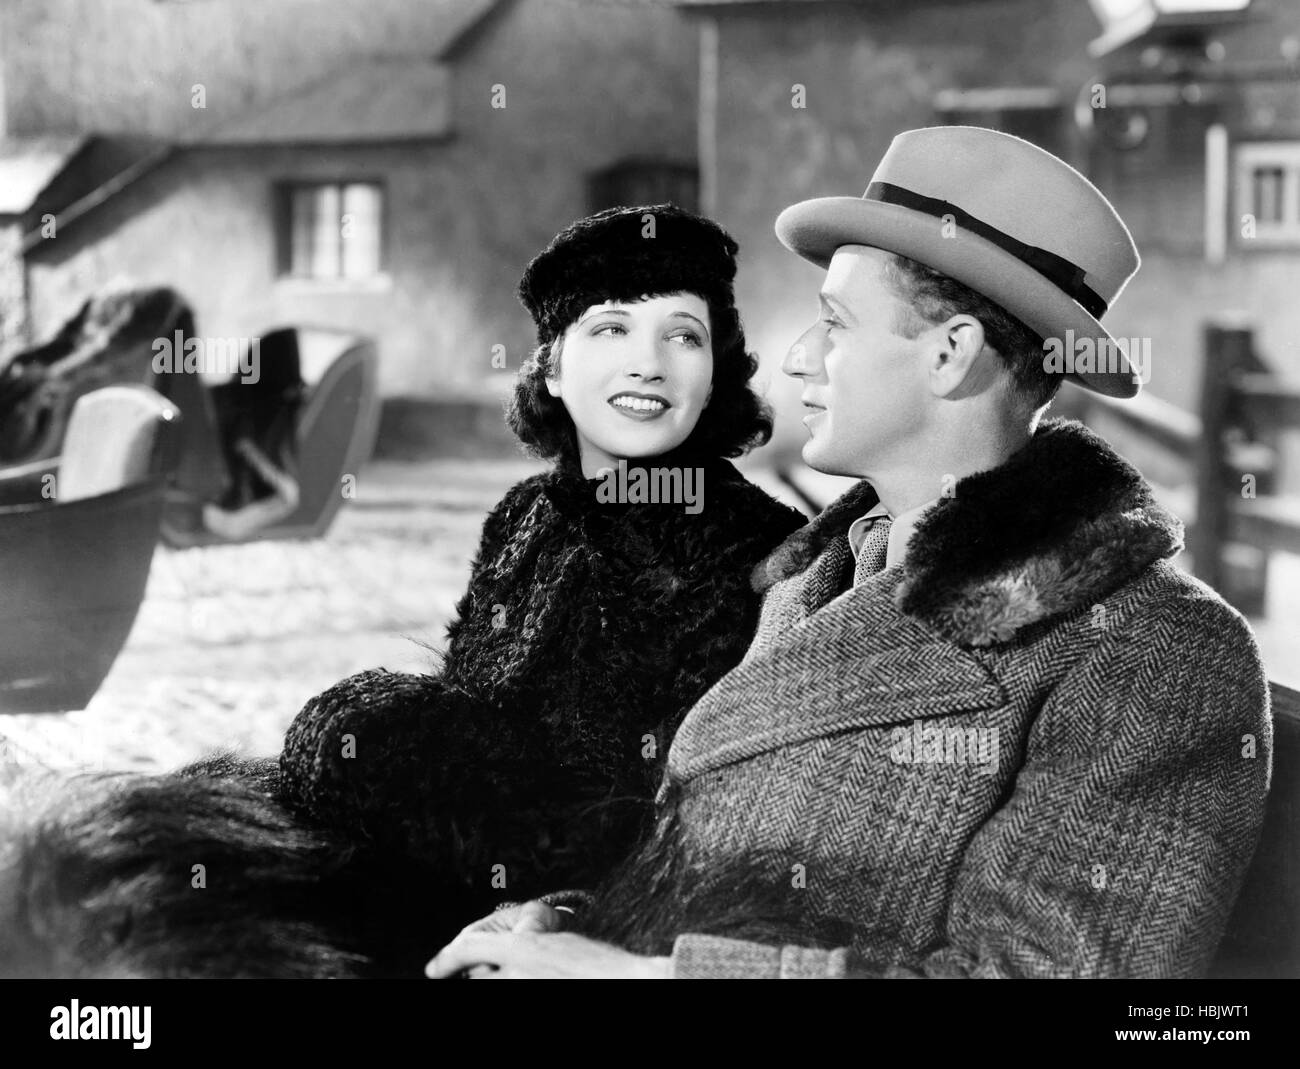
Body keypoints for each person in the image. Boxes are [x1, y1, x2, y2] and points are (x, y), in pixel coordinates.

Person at [426, 126, 1274, 979]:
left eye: (834, 323)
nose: (797, 360)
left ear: (952, 355)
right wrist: (559, 927)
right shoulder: (818, 571)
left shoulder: (1153, 651)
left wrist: (631, 977)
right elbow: (698, 862)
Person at [276, 204, 806, 924]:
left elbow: (700, 806)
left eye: (684, 336)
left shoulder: (757, 547)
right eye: (611, 328)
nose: (648, 363)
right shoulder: (525, 511)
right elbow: (468, 691)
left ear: (714, 374)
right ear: (553, 368)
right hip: (450, 872)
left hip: (601, 908)